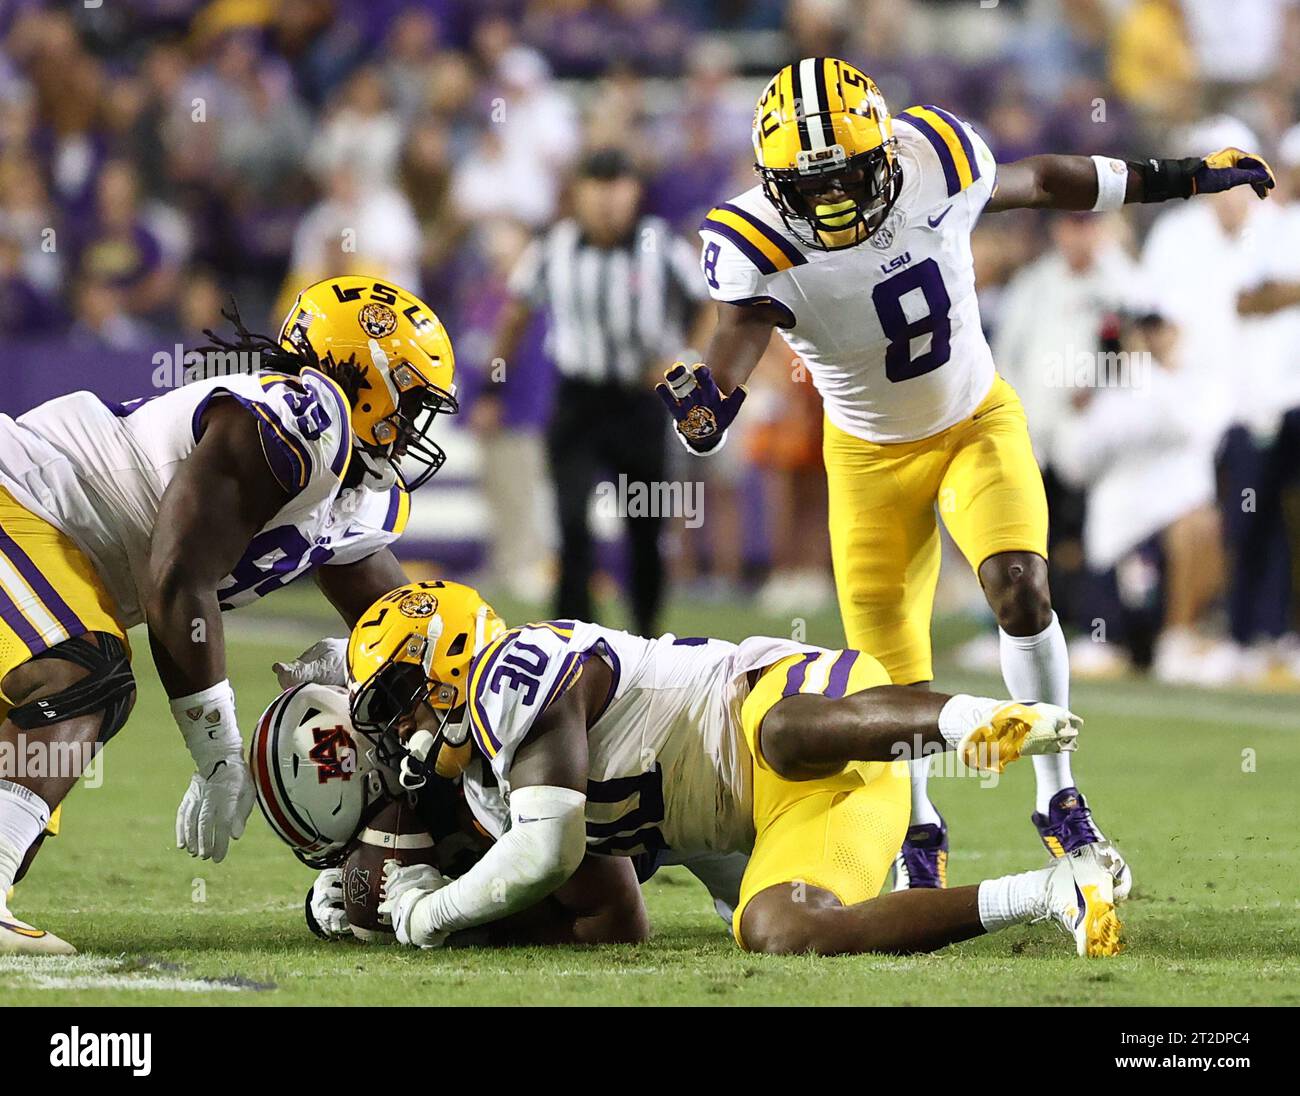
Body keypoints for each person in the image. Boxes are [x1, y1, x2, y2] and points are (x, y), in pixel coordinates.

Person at [656, 58, 1274, 894]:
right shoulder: (751, 241)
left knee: (1021, 585)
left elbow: (1046, 179)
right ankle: (920, 820)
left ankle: (1058, 795)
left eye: (847, 176)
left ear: (883, 154)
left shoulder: (934, 156)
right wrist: (711, 402)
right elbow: (735, 340)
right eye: (813, 187)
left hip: (975, 421)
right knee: (890, 670)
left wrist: (1181, 176)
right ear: (773, 184)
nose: (835, 201)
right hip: (868, 458)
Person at [0, 276, 455, 955]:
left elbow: (405, 633)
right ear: (366, 375)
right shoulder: (300, 423)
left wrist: (372, 667)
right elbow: (178, 584)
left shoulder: (344, 489)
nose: (417, 424)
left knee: (27, 778)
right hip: (21, 497)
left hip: (50, 542)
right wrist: (219, 756)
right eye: (412, 398)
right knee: (82, 678)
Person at [349, 581, 1120, 958]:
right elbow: (612, 920)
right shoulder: (489, 781)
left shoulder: (512, 674)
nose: (399, 726)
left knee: (782, 733)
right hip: (799, 814)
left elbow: (546, 849)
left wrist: (436, 913)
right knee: (775, 931)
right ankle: (1054, 890)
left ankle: (973, 720)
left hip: (798, 704)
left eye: (396, 698)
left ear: (446, 657)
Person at [485, 148, 709, 636]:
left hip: (641, 402)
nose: (608, 200)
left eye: (618, 186)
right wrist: (491, 387)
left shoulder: (662, 245)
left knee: (645, 527)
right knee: (570, 524)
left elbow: (706, 306)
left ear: (634, 191)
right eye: (597, 186)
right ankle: (577, 641)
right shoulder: (554, 247)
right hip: (579, 401)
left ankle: (648, 640)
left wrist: (683, 361)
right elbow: (516, 314)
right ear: (578, 193)